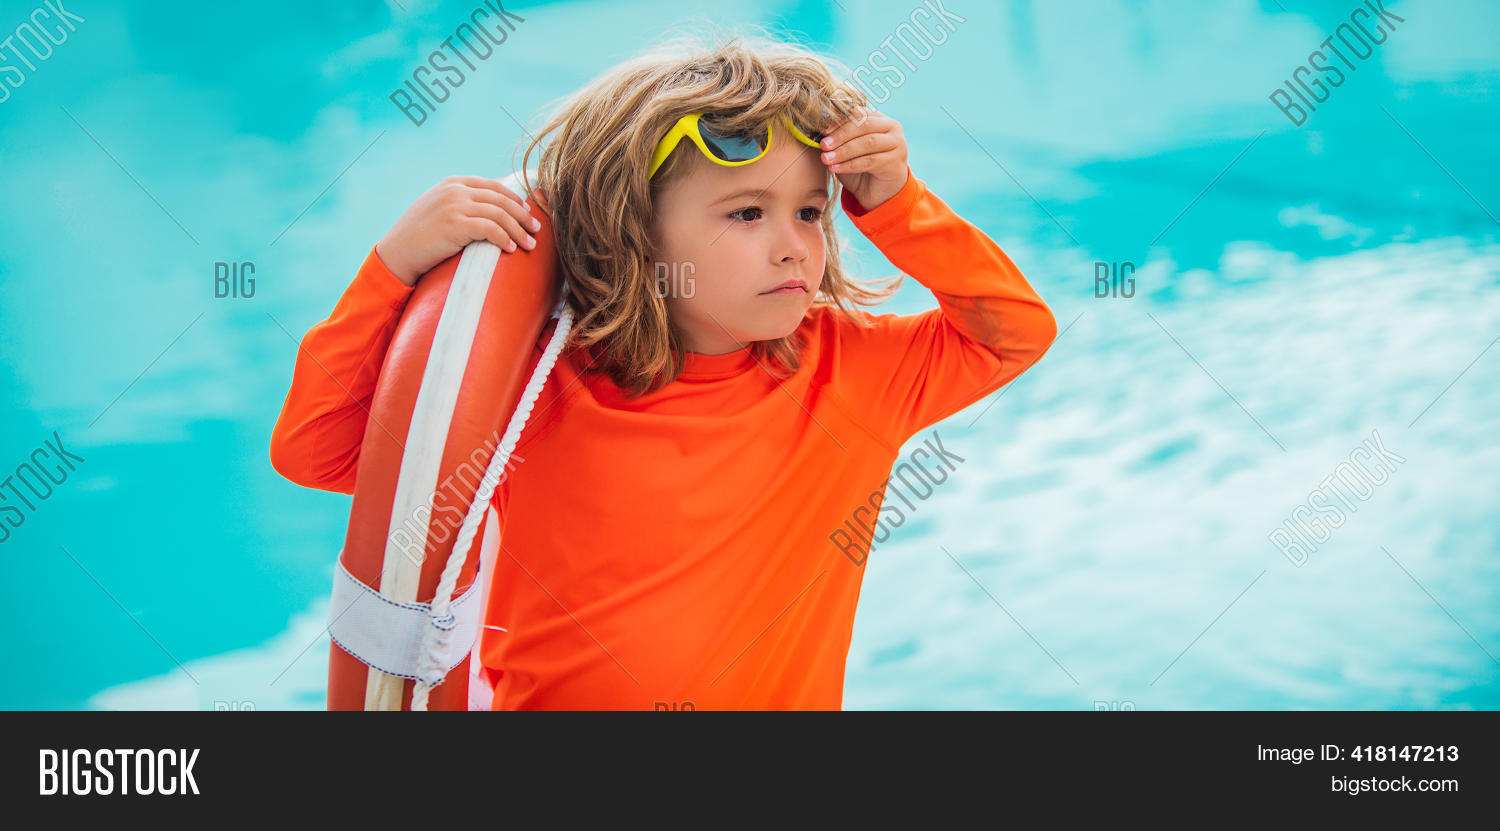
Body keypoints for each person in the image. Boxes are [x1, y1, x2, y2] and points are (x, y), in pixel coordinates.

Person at [269, 31, 1058, 710]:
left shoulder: (849, 373)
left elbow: (1013, 331)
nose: (793, 245)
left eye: (811, 212)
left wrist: (897, 202)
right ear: (637, 236)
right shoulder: (538, 389)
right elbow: (320, 452)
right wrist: (391, 270)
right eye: (746, 213)